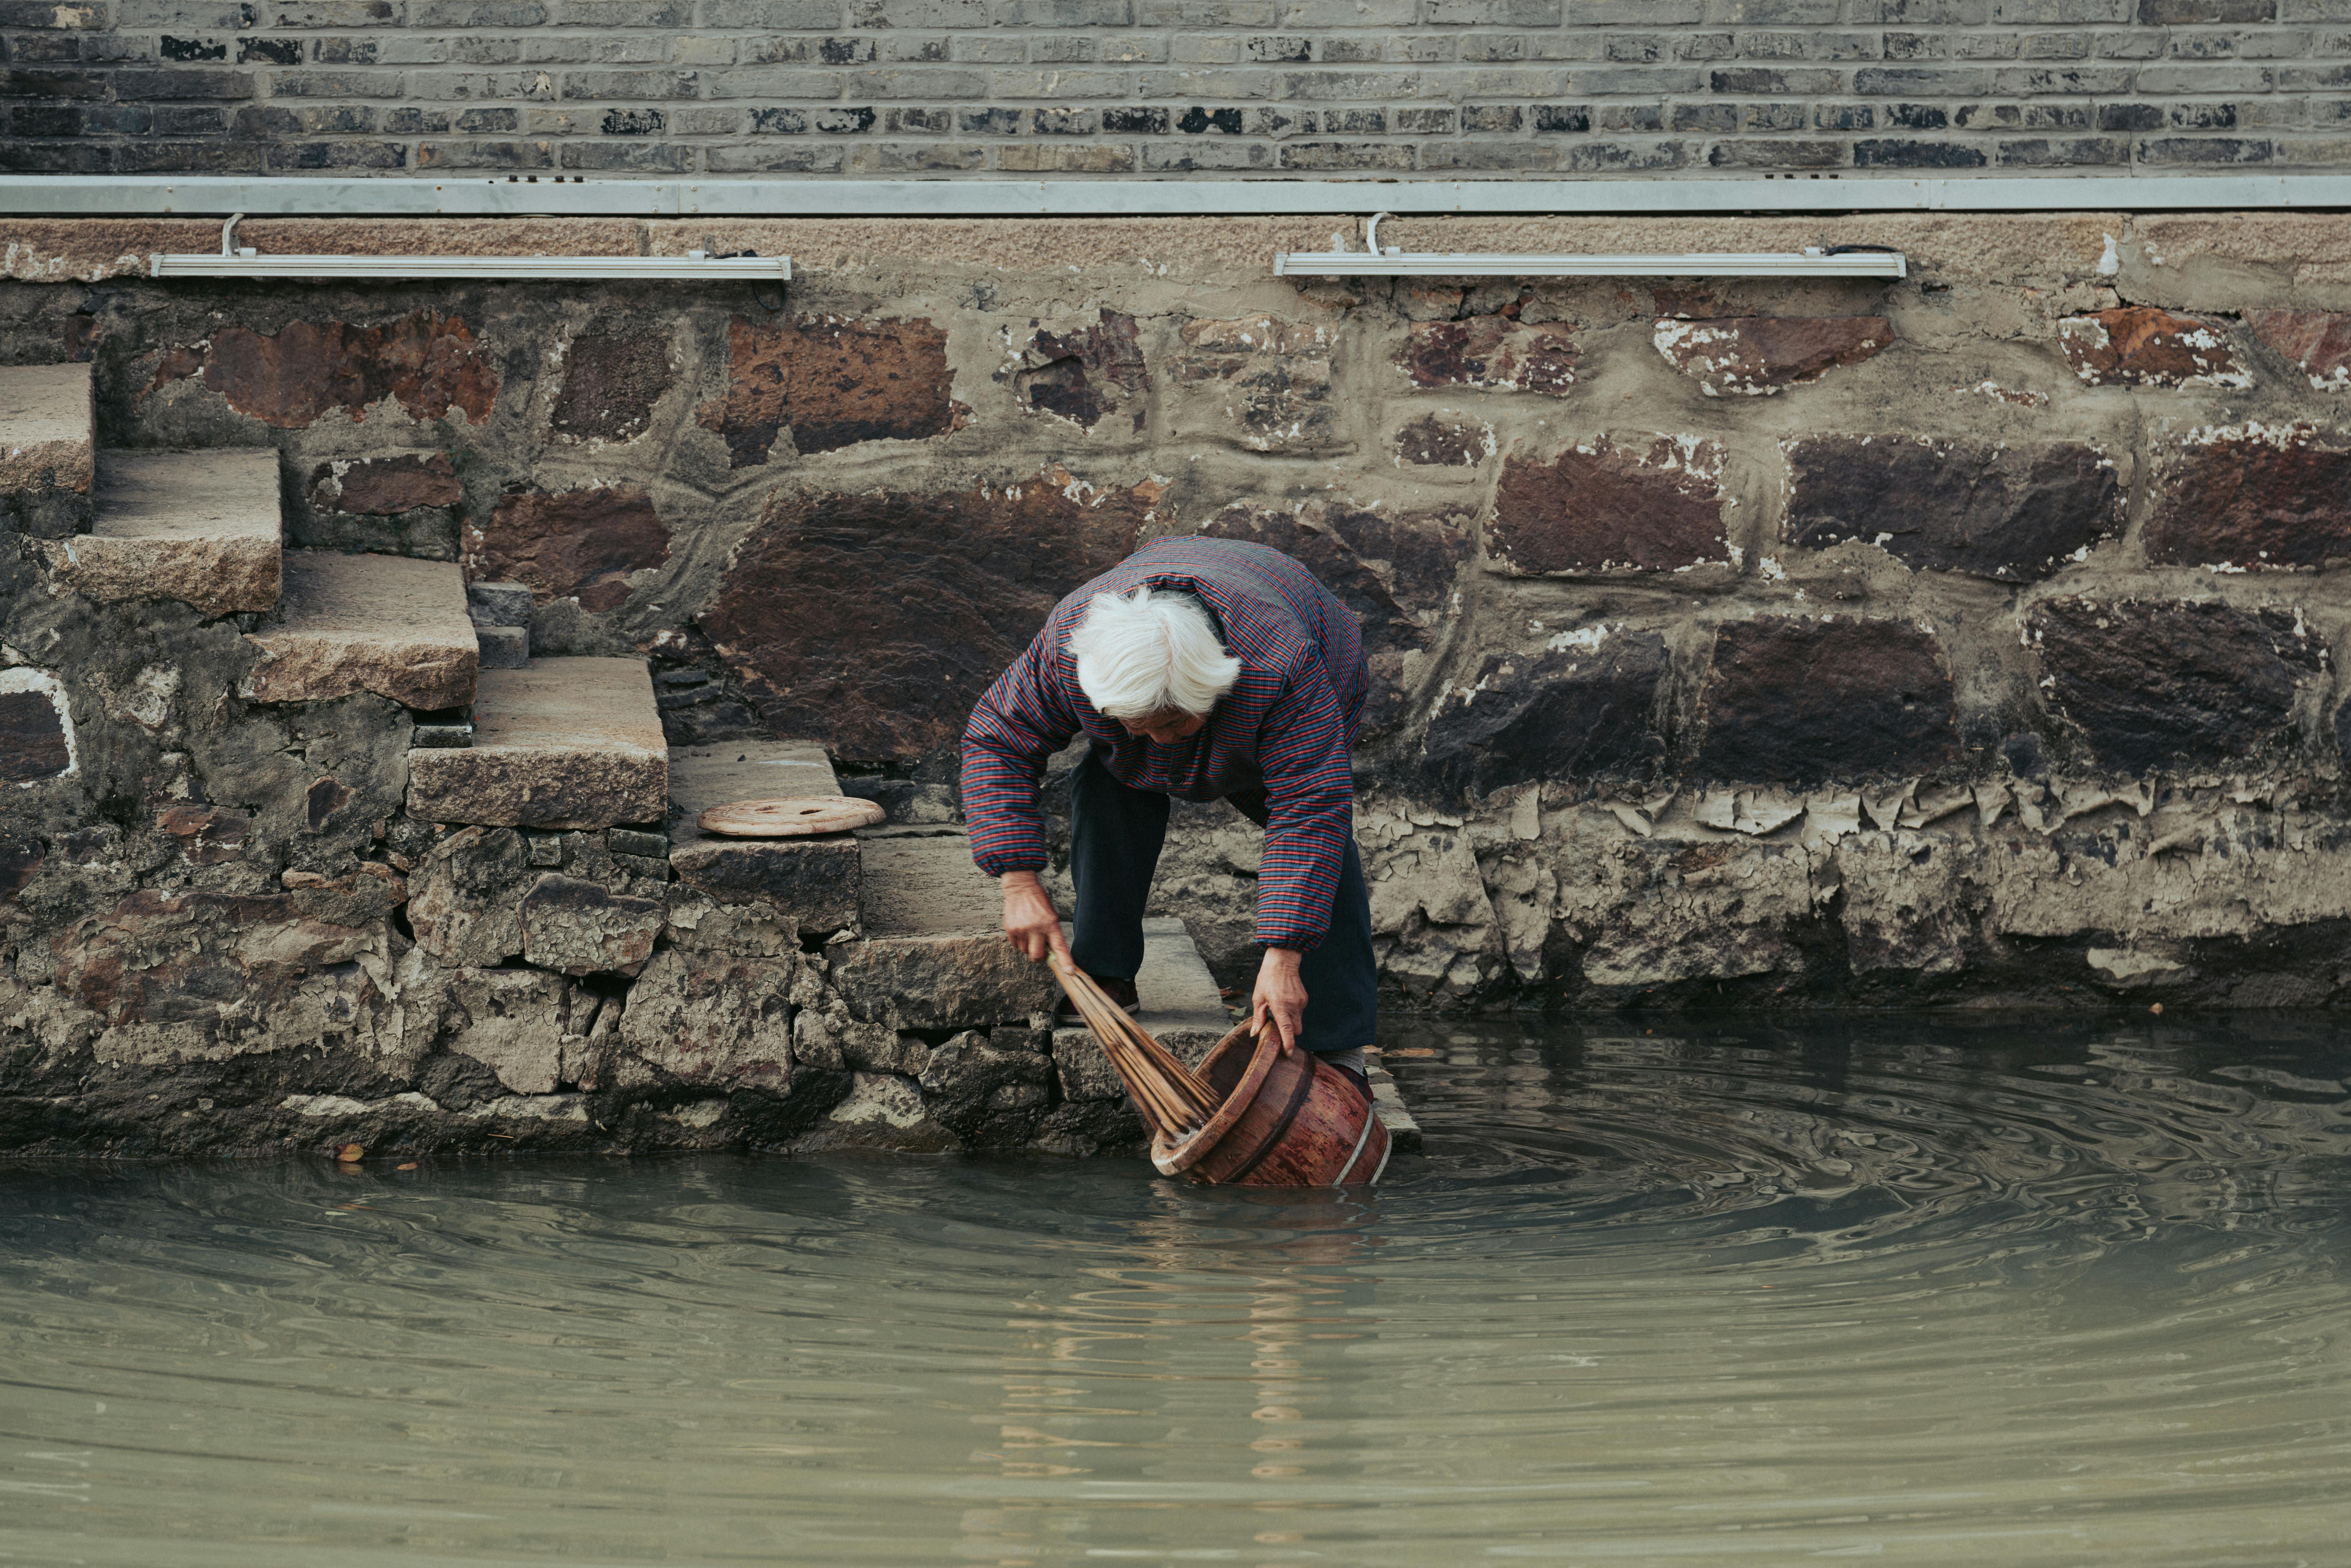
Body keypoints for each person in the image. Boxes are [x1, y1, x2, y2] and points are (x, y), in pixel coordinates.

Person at [960, 535, 1376, 1085]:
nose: (1160, 743)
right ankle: (1106, 970)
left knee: (1322, 845)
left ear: (1215, 687)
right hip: (1170, 700)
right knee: (1107, 780)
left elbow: (1309, 811)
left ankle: (1336, 1045)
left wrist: (1282, 960)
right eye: (1142, 727)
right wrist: (1017, 881)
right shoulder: (1069, 648)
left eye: (1175, 725)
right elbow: (997, 739)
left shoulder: (1285, 667)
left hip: (1299, 661)